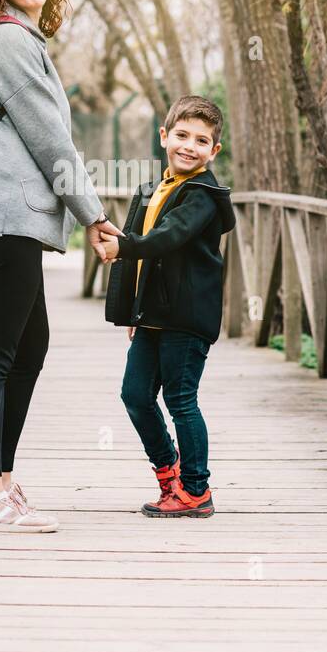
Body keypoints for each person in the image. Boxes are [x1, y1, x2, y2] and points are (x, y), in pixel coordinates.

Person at [0, 0, 122, 533]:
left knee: (29, 346)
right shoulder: (8, 42)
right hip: (5, 217)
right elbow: (53, 143)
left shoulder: (13, 39)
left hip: (8, 217)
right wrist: (96, 216)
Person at [101, 96, 236, 517]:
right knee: (135, 394)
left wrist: (122, 247)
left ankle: (196, 490)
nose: (189, 146)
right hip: (154, 316)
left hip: (187, 315)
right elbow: (143, 257)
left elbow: (168, 238)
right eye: (181, 135)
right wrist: (132, 312)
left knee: (181, 399)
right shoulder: (151, 190)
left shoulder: (202, 195)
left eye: (201, 140)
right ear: (164, 136)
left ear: (213, 152)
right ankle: (168, 474)